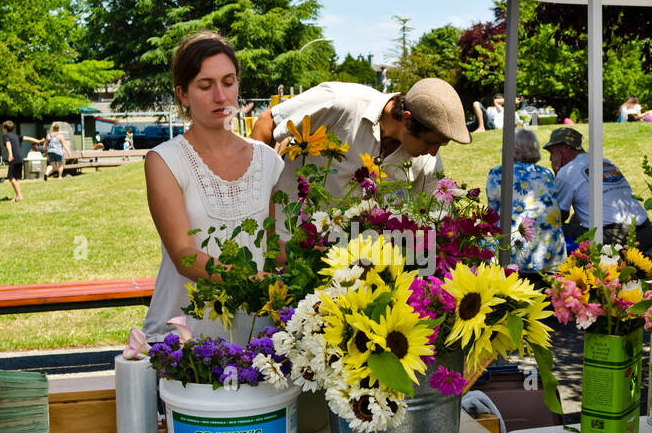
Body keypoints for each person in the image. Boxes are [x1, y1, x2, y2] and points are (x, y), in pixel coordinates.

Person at [142, 31, 284, 339]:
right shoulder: (164, 160)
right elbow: (184, 255)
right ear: (182, 94)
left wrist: (330, 253)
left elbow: (276, 247)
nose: (221, 97)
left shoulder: (267, 160)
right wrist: (257, 281)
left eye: (229, 82)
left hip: (256, 335)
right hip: (185, 340)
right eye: (206, 86)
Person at [251, 77, 471, 207]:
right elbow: (266, 124)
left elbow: (433, 212)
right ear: (407, 120)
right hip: (288, 240)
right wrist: (256, 204)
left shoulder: (426, 160)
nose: (433, 153)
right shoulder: (341, 103)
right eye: (431, 143)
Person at [545, 126, 652, 255]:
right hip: (646, 232)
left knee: (547, 228)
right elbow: (589, 204)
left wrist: (557, 173)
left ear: (566, 147)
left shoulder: (566, 172)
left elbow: (558, 218)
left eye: (553, 153)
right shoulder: (604, 161)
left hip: (614, 237)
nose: (551, 159)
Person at [486, 127, 568, 274]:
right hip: (551, 252)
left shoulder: (498, 173)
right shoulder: (546, 173)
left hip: (515, 251)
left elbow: (492, 211)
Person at [1, 120, 24, 202]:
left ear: (5, 128)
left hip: (13, 158)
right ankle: (19, 195)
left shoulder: (5, 135)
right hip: (20, 158)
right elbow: (27, 138)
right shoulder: (16, 136)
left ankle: (19, 196)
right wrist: (38, 141)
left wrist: (10, 154)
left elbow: (8, 144)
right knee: (15, 178)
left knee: (11, 177)